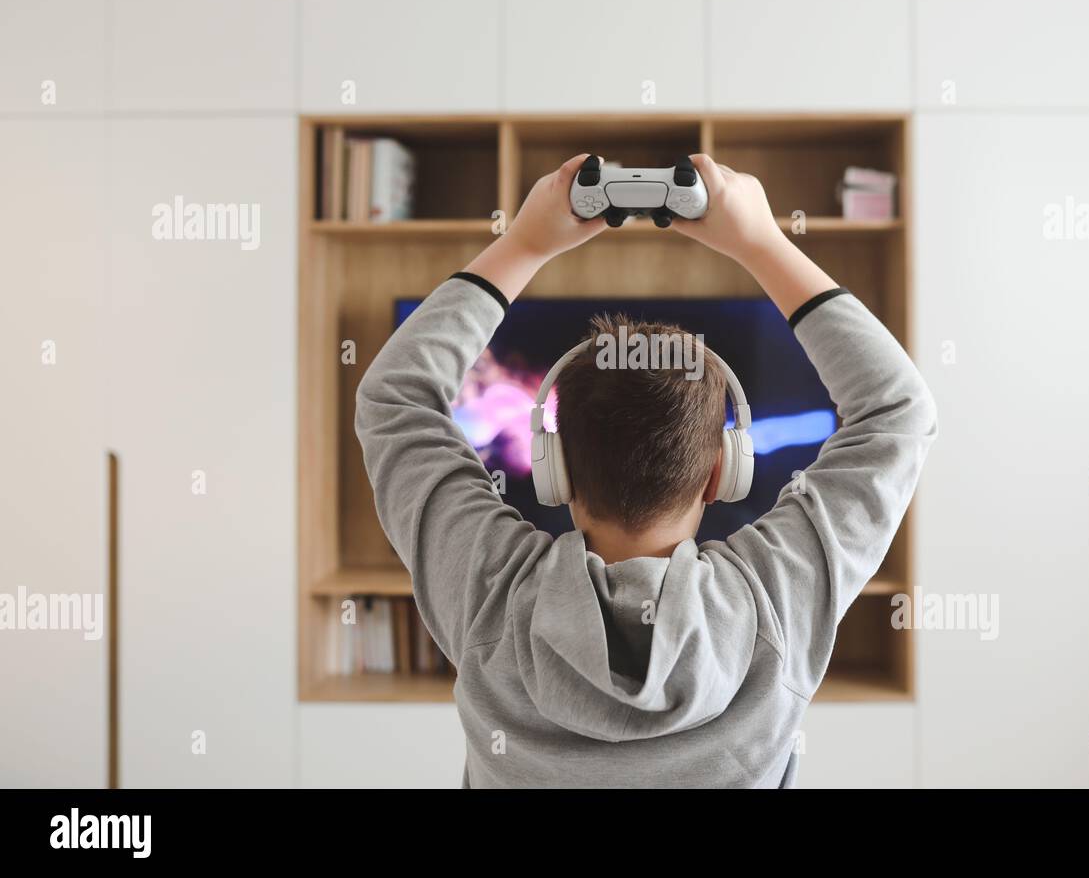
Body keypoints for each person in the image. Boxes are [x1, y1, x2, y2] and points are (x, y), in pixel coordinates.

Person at [355, 153, 937, 787]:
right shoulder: (775, 602)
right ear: (725, 475)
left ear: (554, 472)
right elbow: (896, 412)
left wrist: (522, 245)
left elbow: (395, 398)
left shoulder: (489, 594)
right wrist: (763, 242)